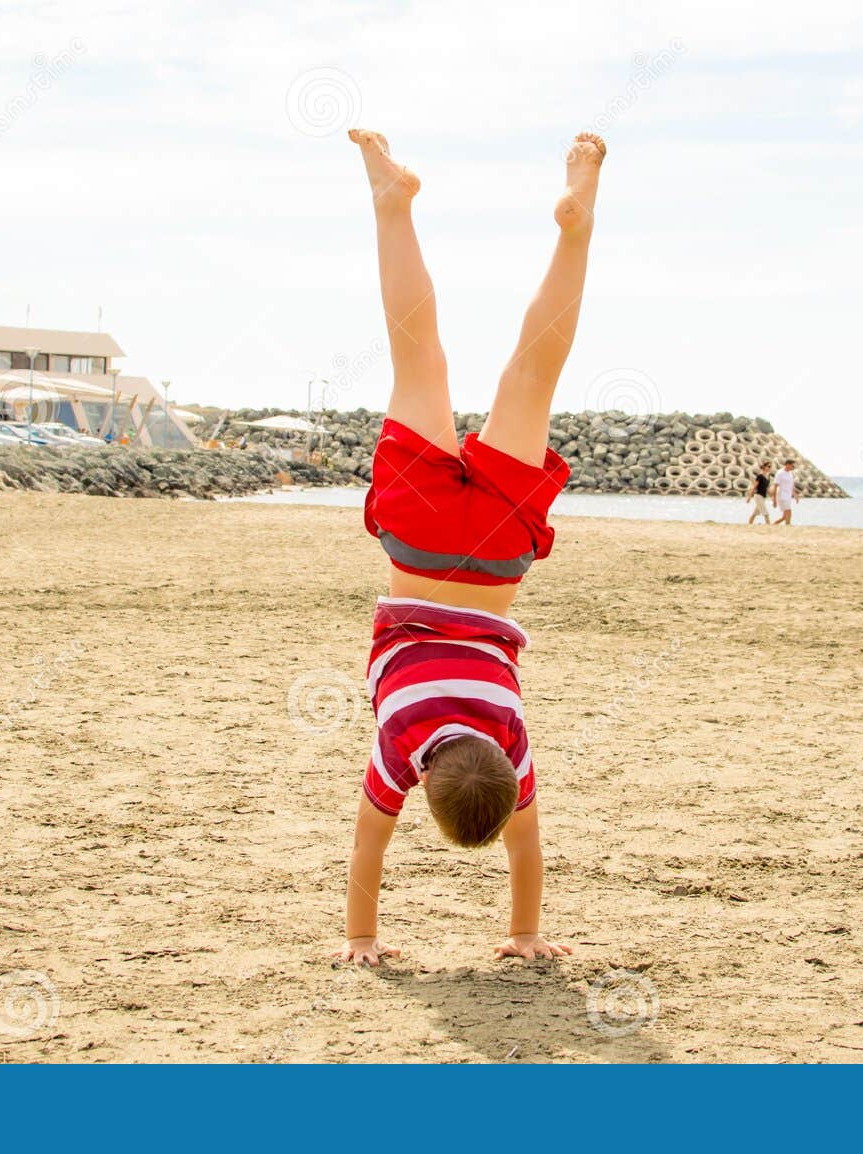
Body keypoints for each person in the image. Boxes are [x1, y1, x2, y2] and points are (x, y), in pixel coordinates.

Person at [334, 128, 605, 968]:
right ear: (426, 788)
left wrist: (528, 930)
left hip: (496, 555)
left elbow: (527, 852)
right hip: (417, 547)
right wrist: (362, 943)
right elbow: (366, 854)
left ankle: (575, 229)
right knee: (419, 354)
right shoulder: (400, 742)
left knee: (533, 373)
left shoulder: (512, 740)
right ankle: (391, 204)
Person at [747, 460, 773, 524]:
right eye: (768, 466)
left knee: (755, 513)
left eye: (770, 467)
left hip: (763, 497)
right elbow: (754, 487)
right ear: (764, 467)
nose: (769, 468)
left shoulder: (768, 477)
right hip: (758, 496)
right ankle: (769, 526)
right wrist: (749, 497)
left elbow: (766, 488)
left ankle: (749, 525)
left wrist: (771, 497)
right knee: (766, 513)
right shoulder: (760, 476)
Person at [773, 458, 798, 525]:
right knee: (788, 511)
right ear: (787, 465)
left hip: (788, 496)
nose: (793, 467)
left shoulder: (790, 474)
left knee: (784, 516)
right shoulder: (780, 473)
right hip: (781, 495)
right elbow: (775, 486)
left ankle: (774, 524)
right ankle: (788, 525)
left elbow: (791, 486)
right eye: (792, 466)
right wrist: (774, 499)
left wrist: (795, 495)